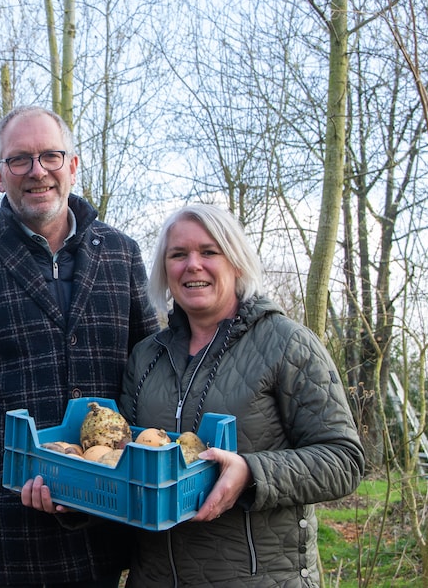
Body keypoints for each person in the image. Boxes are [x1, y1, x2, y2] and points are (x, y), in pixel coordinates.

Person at [22, 203, 365, 587]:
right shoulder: (147, 357)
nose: (193, 265)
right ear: (165, 270)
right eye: (178, 255)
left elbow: (345, 460)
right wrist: (75, 498)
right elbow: (124, 463)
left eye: (209, 251)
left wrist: (251, 473)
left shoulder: (287, 344)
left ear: (236, 262)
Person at [0, 106, 160, 588]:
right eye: (19, 159)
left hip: (106, 522)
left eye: (50, 156)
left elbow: (152, 374)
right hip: (2, 532)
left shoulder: (121, 254)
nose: (37, 171)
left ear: (72, 165)